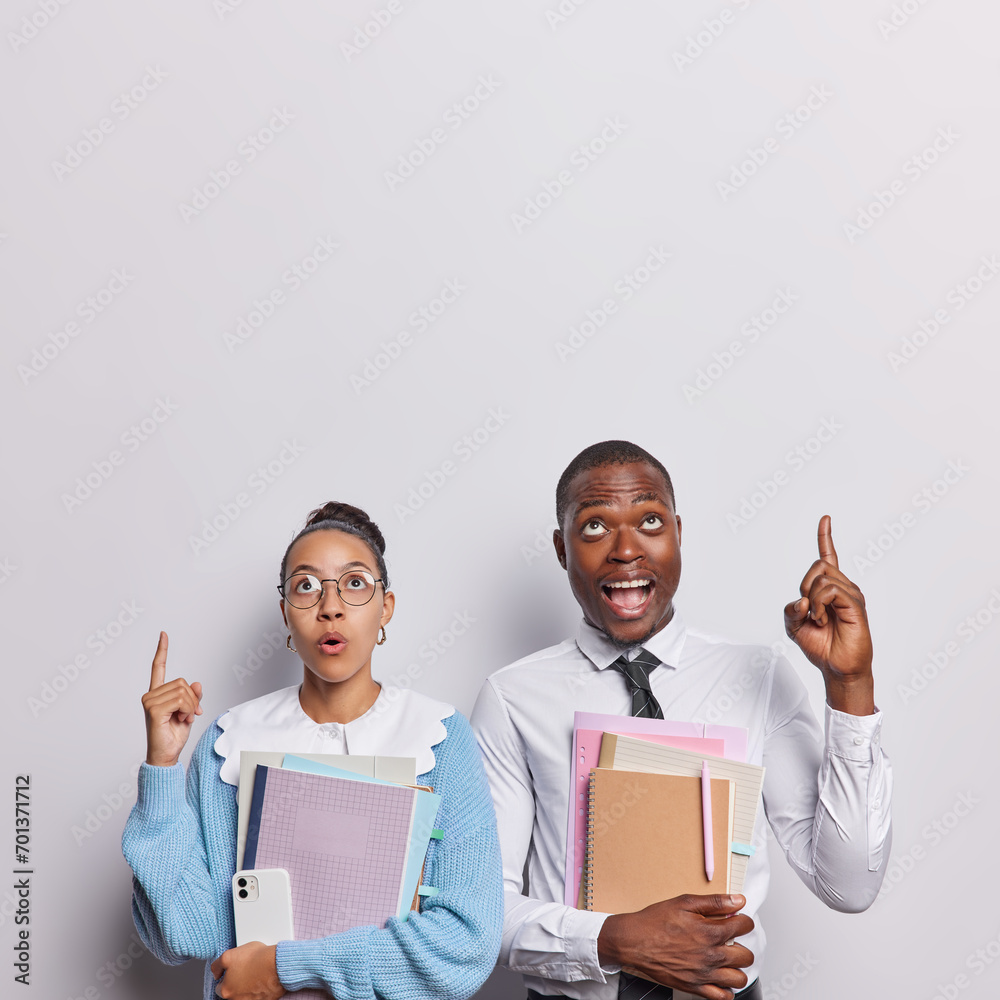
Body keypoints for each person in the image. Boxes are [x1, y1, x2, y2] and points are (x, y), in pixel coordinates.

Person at [471, 441, 892, 1000]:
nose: (626, 550)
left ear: (677, 533)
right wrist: (612, 941)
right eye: (595, 526)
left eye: (650, 521)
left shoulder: (758, 676)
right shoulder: (512, 697)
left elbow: (850, 886)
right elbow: (481, 912)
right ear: (561, 548)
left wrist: (850, 685)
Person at [122, 501, 503, 1000]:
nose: (330, 607)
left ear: (385, 607)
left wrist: (283, 967)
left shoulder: (439, 737)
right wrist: (162, 767)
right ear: (285, 612)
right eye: (306, 586)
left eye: (354, 583)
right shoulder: (228, 739)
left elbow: (465, 946)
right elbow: (184, 936)